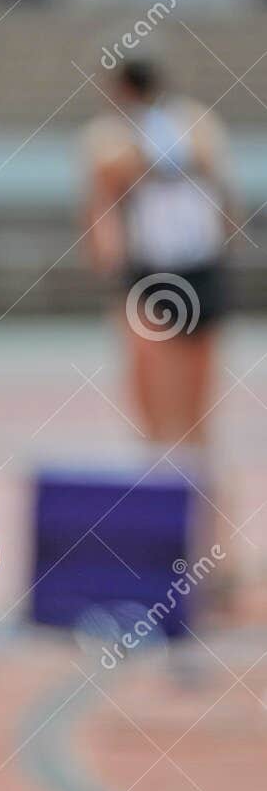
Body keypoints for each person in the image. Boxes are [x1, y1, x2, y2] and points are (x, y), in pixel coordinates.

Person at [82, 56, 241, 602]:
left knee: (182, 421)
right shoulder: (183, 126)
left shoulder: (175, 127)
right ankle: (171, 551)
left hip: (184, 272)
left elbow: (107, 199)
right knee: (170, 421)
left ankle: (203, 554)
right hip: (166, 274)